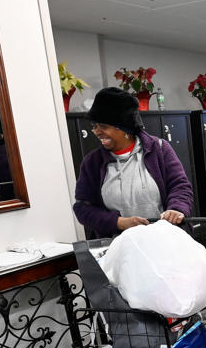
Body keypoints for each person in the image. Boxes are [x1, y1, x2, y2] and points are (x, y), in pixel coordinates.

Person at [73, 87, 193, 238]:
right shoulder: (92, 163)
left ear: (124, 128)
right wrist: (118, 222)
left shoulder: (159, 149)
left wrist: (177, 209)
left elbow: (180, 186)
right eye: (94, 126)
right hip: (120, 245)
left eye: (103, 126)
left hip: (164, 239)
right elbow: (82, 208)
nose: (97, 132)